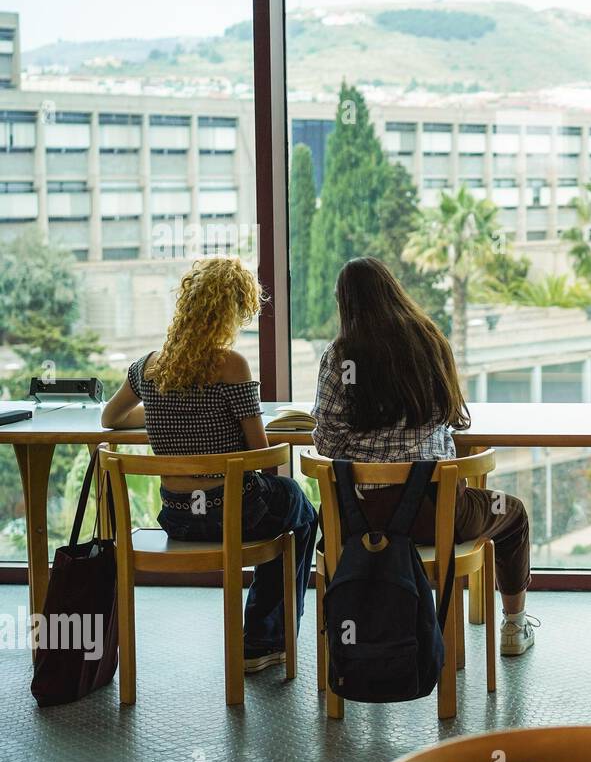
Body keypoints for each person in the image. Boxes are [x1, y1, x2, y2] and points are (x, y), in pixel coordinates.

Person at [102, 256, 318, 672]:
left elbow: (110, 418)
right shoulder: (231, 365)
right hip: (231, 515)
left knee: (286, 510)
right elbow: (260, 454)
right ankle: (261, 641)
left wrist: (167, 417)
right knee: (298, 508)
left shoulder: (148, 366)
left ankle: (263, 639)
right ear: (228, 312)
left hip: (177, 518)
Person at [311, 256, 536, 655]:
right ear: (393, 290)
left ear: (345, 303)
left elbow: (327, 443)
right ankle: (514, 628)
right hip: (436, 517)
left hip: (359, 522)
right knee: (513, 514)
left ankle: (357, 641)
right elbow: (454, 415)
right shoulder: (430, 341)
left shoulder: (340, 355)